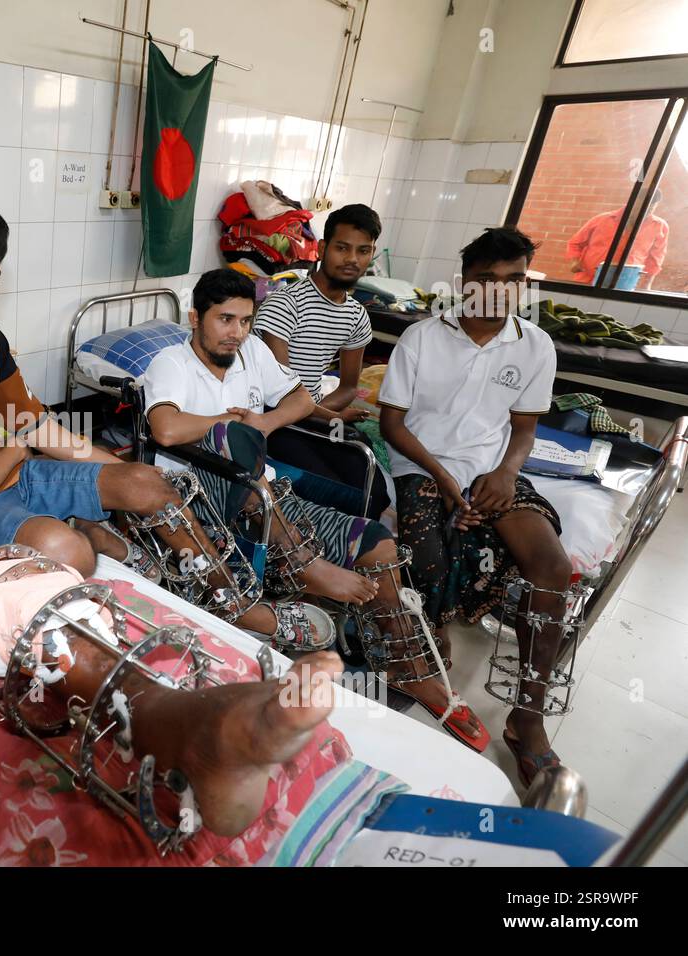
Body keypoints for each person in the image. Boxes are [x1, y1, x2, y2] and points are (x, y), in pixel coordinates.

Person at [0, 186, 324, 647]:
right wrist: (19, 444)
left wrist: (124, 475)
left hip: (13, 473)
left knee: (146, 481)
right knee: (68, 550)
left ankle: (234, 606)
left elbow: (35, 423)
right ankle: (97, 540)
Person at [143, 268, 488, 751]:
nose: (236, 332)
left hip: (263, 497)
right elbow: (165, 430)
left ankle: (407, 668)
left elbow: (303, 396)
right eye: (224, 320)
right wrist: (231, 423)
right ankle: (308, 568)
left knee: (379, 544)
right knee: (233, 449)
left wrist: (263, 422)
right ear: (195, 317)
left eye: (245, 320)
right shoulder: (171, 363)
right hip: (198, 500)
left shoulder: (252, 353)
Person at [379, 226, 569, 787]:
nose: (499, 291)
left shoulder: (535, 346)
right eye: (487, 279)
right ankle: (429, 641)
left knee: (552, 567)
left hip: (492, 472)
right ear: (465, 282)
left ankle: (527, 718)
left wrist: (506, 473)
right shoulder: (421, 337)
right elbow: (392, 423)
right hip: (422, 463)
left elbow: (524, 427)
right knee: (426, 554)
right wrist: (442, 477)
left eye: (514, 281)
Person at [256, 203, 379, 425]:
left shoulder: (357, 316)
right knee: (355, 454)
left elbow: (349, 388)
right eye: (342, 248)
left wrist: (317, 413)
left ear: (372, 253)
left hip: (308, 416)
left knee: (360, 450)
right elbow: (280, 391)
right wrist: (330, 417)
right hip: (271, 417)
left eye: (363, 250)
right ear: (322, 249)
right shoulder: (286, 304)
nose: (352, 259)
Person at [566, 188, 669, 292]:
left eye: (651, 207)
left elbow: (656, 258)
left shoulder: (659, 227)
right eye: (642, 204)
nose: (646, 209)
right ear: (633, 201)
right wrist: (575, 262)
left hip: (625, 285)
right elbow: (575, 243)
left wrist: (647, 284)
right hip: (588, 281)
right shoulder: (602, 219)